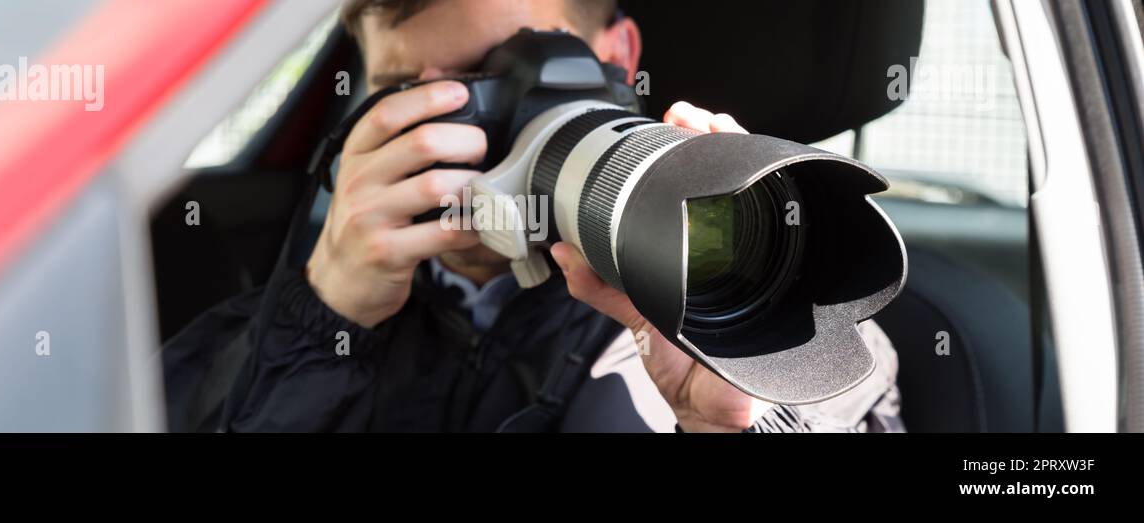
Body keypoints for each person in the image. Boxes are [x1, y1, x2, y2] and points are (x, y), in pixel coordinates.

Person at [161, 0, 904, 432]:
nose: (443, 133)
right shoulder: (269, 324)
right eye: (401, 93)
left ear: (619, 55)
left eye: (498, 76)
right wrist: (322, 319)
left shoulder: (764, 305)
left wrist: (739, 415)